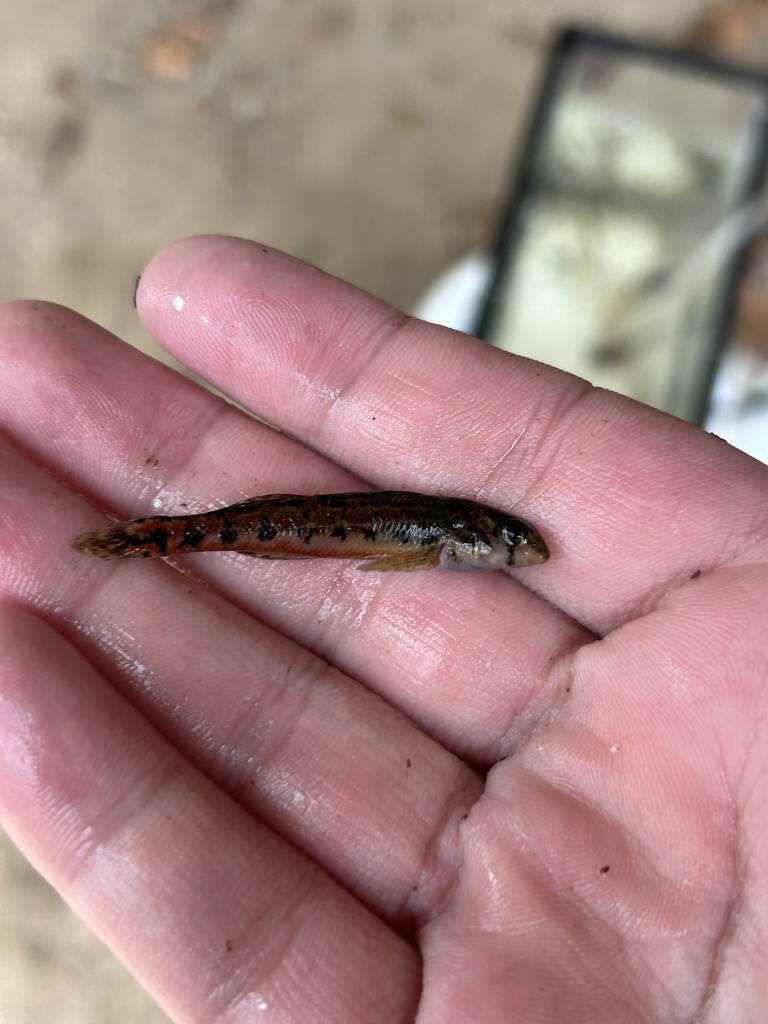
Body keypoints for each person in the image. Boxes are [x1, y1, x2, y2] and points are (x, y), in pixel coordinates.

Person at [0, 235, 766, 1023]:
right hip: (283, 522)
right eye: (504, 544)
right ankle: (148, 538)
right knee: (212, 529)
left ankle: (152, 538)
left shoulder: (455, 538)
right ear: (468, 540)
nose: (518, 554)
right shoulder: (444, 539)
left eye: (509, 545)